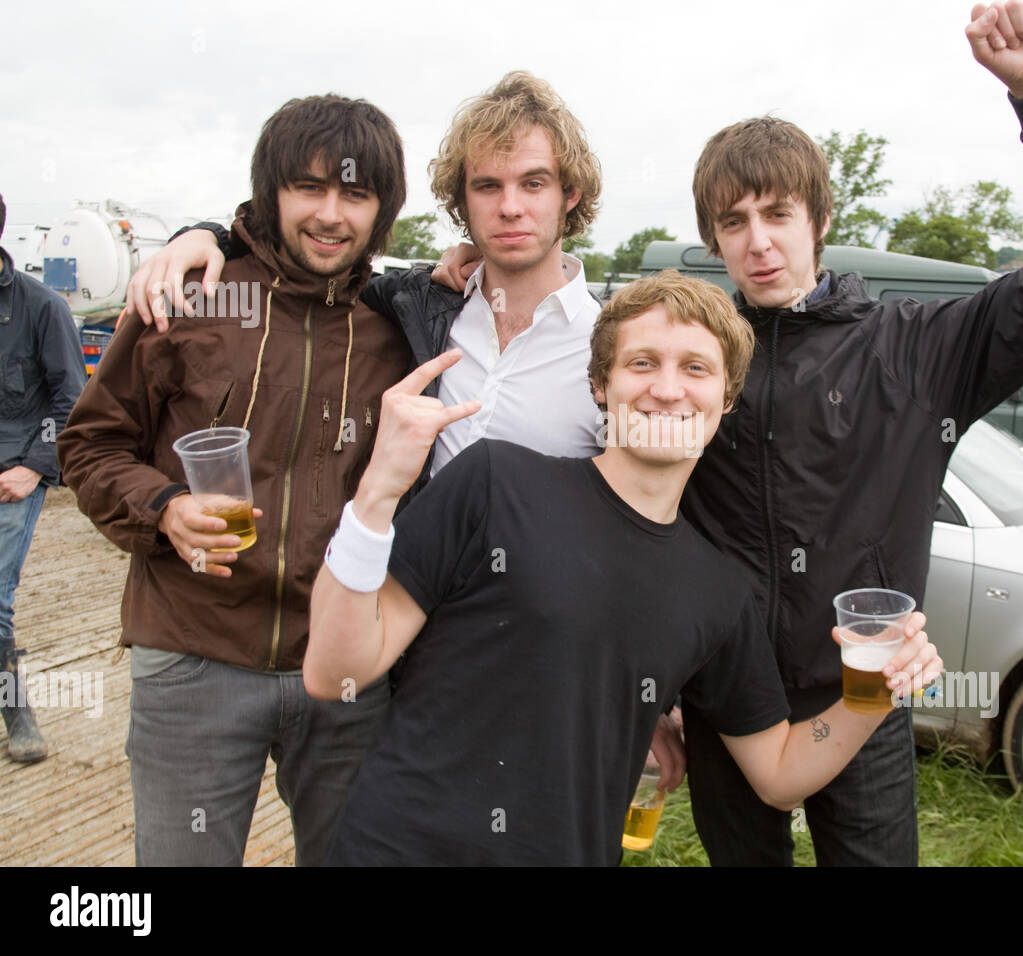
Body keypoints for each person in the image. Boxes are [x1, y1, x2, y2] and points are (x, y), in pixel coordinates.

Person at [121, 71, 691, 784]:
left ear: (570, 195)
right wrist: (196, 235)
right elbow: (309, 258)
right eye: (486, 186)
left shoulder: (617, 347)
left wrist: (655, 687)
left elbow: (654, 523)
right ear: (461, 204)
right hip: (415, 667)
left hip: (558, 679)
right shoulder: (422, 308)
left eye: (534, 183)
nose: (510, 206)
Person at [672, 0, 1023, 867]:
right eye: (734, 222)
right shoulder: (695, 358)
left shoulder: (918, 346)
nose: (759, 242)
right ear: (713, 238)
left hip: (867, 685)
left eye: (777, 214)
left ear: (819, 219)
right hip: (731, 691)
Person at [306, 270, 942, 865]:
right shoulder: (496, 480)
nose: (667, 388)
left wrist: (873, 696)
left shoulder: (718, 592)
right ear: (600, 386)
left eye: (695, 368)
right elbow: (335, 671)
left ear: (726, 400)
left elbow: (778, 775)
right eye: (643, 363)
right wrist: (376, 495)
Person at [56, 95, 412, 865]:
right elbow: (89, 443)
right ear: (269, 190)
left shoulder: (400, 329)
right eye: (307, 188)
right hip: (194, 657)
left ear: (383, 211)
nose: (330, 214)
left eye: (355, 193)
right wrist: (163, 508)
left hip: (344, 672)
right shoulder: (190, 297)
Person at [0, 192, 86, 763]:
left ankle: (18, 717)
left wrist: (33, 467)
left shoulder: (41, 307)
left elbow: (72, 400)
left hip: (12, 476)